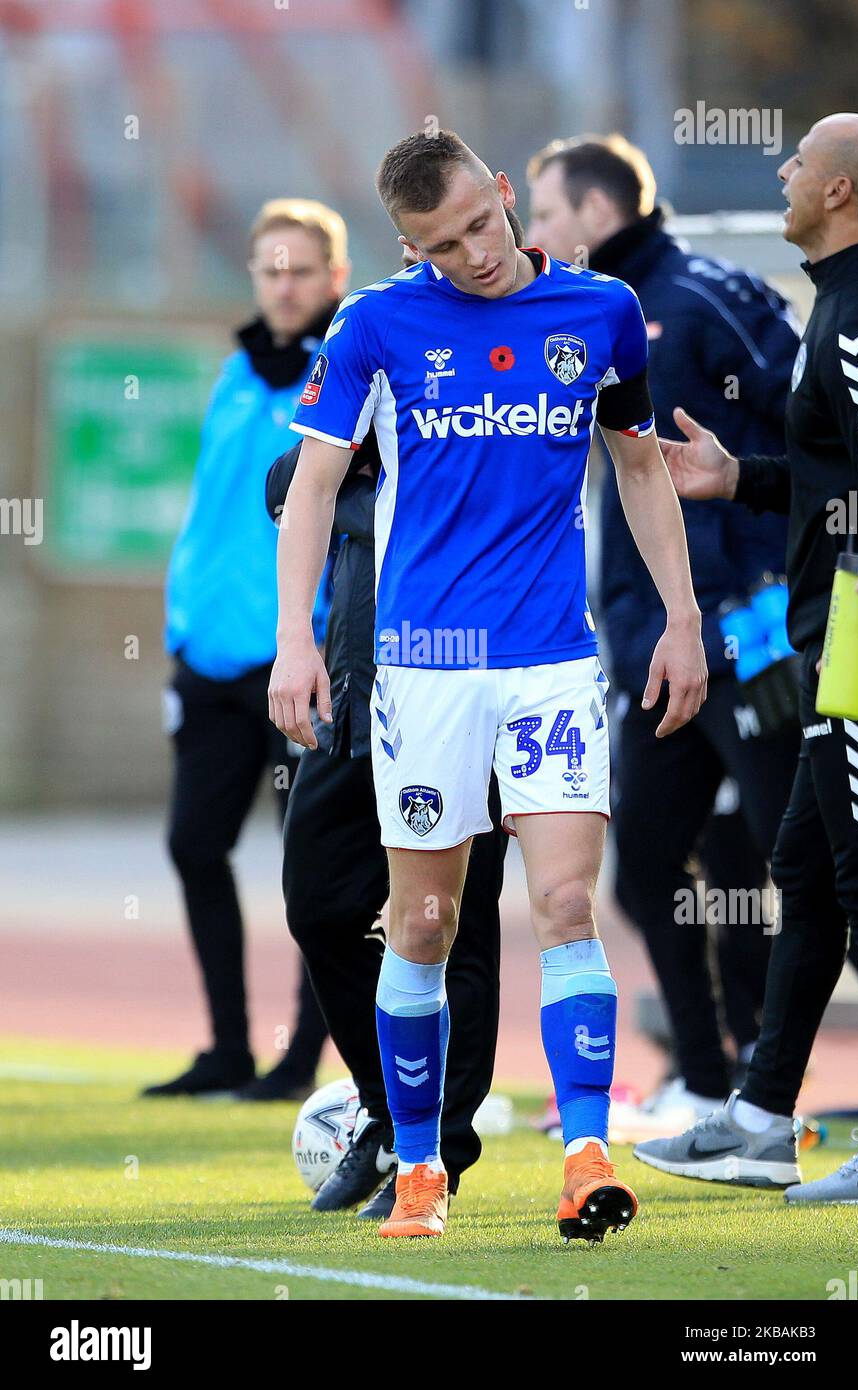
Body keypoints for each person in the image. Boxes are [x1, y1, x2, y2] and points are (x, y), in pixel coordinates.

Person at [269, 129, 707, 1243]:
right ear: (406, 246)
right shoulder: (375, 324)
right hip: (424, 674)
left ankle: (584, 1157)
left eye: (479, 222)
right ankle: (419, 1166)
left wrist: (681, 620)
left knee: (565, 905)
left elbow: (641, 465)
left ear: (505, 194)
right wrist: (296, 639)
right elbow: (314, 486)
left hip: (552, 660)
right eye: (440, 243)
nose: (472, 254)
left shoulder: (599, 311)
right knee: (420, 922)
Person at [526, 135, 802, 1118]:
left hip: (754, 643)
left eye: (543, 214)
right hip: (655, 650)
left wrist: (769, 590)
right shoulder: (594, 315)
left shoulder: (698, 299)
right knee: (644, 866)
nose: (530, 235)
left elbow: (815, 429)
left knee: (797, 871)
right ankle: (705, 1080)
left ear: (595, 215)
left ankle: (763, 1092)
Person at [266, 218, 522, 1220]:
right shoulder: (370, 323)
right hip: (358, 671)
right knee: (320, 896)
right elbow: (289, 482)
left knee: (449, 917)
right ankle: (384, 1109)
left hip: (476, 669)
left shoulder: (529, 343)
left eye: (469, 225)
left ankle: (439, 1150)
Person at [632, 113, 858, 1204]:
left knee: (851, 880)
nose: (781, 170)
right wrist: (741, 479)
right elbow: (836, 478)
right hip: (837, 641)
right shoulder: (835, 304)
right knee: (807, 873)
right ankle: (765, 1115)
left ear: (843, 191)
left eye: (801, 161)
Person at [143, 199, 341, 1101]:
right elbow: (213, 512)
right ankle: (227, 1046)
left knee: (312, 863)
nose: (285, 284)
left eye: (302, 269)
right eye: (271, 269)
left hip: (297, 661)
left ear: (334, 278)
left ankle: (303, 1057)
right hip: (212, 660)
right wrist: (181, 625)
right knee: (192, 844)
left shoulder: (346, 374)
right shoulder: (233, 374)